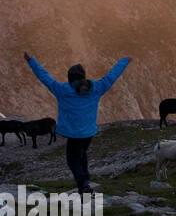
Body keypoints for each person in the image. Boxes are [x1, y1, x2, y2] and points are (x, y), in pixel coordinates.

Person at [23, 51, 131, 194]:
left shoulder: (62, 90)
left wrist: (31, 60)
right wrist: (124, 61)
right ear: (83, 77)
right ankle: (85, 181)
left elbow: (44, 77)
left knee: (73, 161)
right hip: (88, 133)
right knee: (82, 155)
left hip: (73, 134)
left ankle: (83, 184)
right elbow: (112, 76)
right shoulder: (96, 88)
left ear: (70, 78)